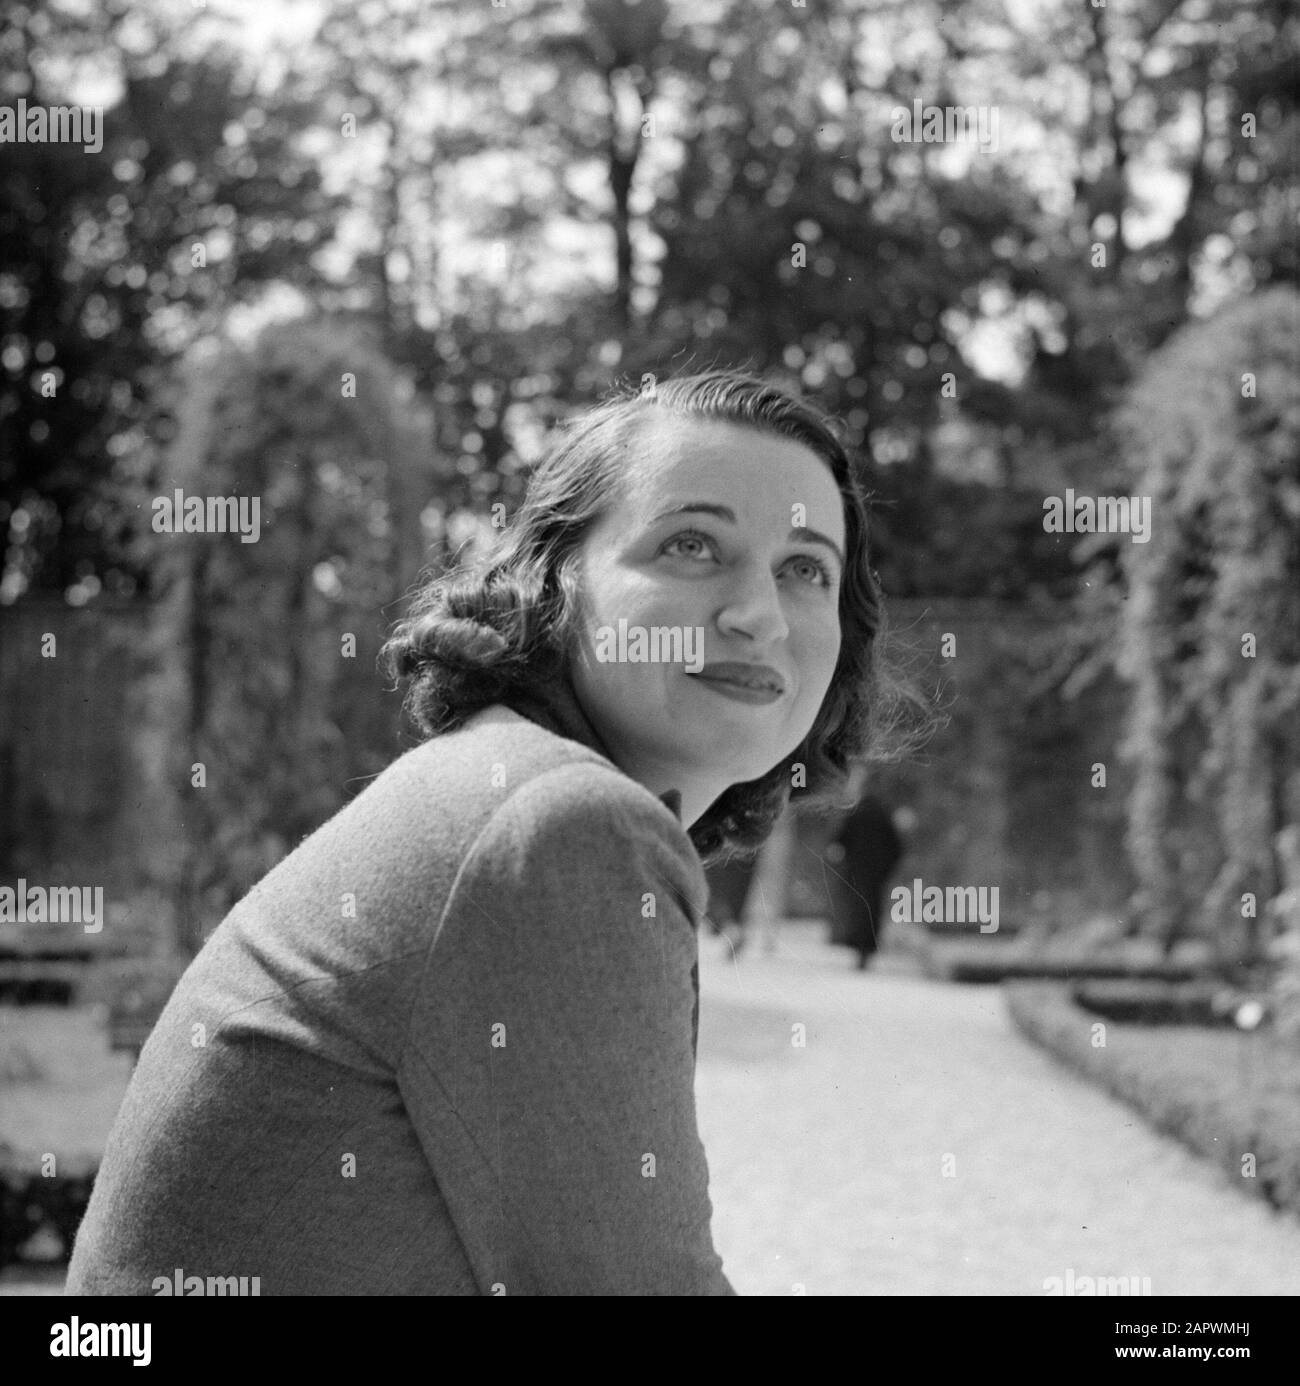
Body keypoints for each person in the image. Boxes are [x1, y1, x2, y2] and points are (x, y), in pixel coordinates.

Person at [67, 370, 907, 1295]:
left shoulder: (511, 782)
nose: (759, 614)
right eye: (693, 545)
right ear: (556, 585)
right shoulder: (565, 826)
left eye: (806, 568)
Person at [824, 792, 905, 970]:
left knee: (856, 908)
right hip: (876, 874)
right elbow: (896, 848)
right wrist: (886, 870)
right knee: (873, 910)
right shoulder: (884, 819)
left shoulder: (856, 816)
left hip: (857, 871)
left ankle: (856, 943)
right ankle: (866, 947)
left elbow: (840, 841)